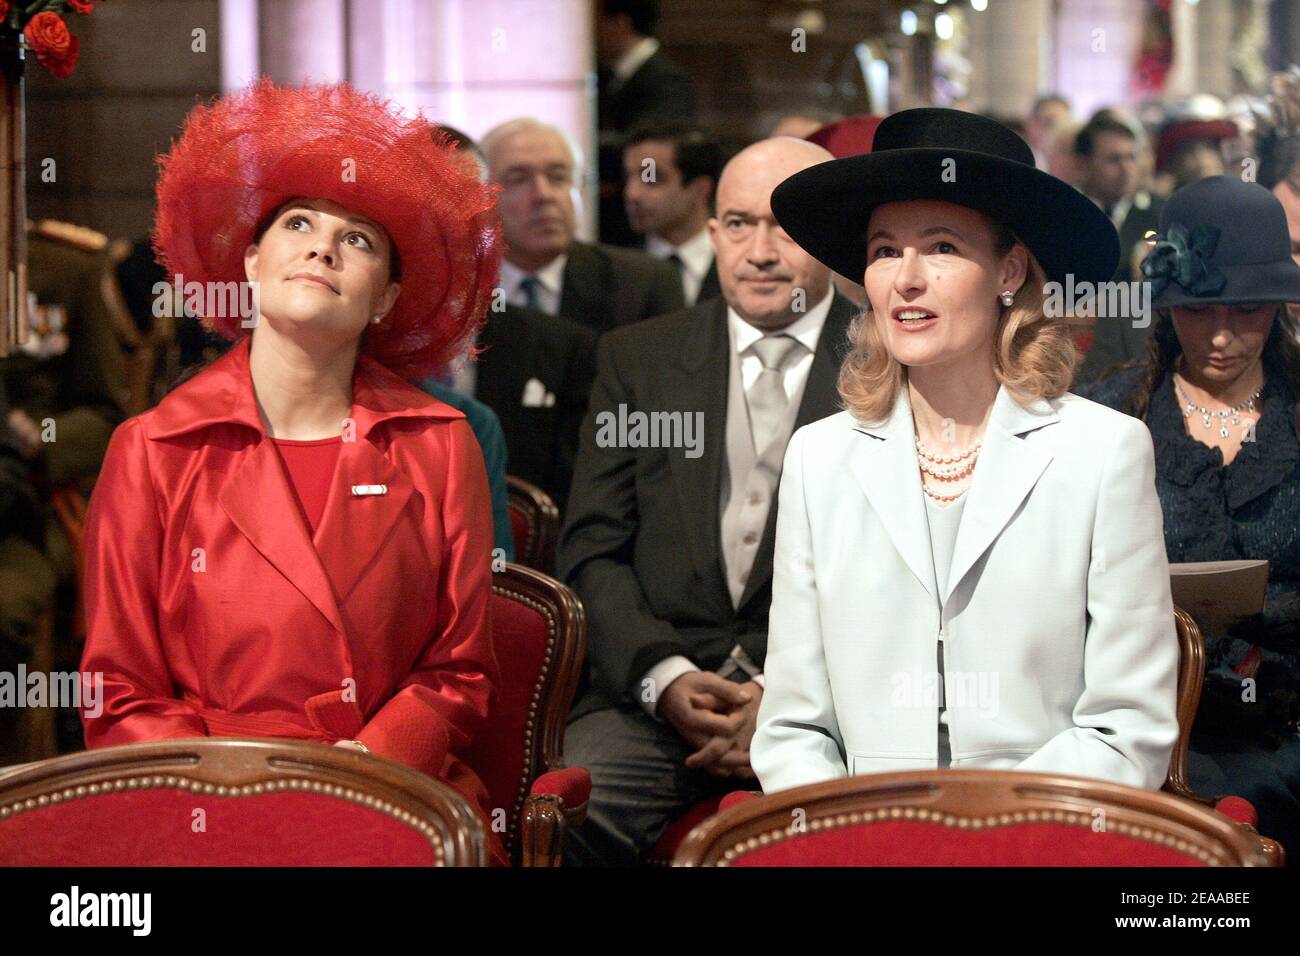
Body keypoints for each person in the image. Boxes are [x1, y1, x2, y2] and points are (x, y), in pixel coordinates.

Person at [77, 80, 507, 863]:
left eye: (360, 240)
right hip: (202, 805)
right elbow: (119, 689)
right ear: (249, 262)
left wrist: (372, 768)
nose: (322, 248)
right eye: (299, 224)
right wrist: (230, 791)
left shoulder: (442, 442)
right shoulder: (151, 447)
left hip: (393, 797)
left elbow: (461, 667)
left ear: (386, 298)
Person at [752, 108, 1178, 793]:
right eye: (885, 250)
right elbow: (793, 730)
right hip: (864, 835)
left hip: (1041, 833)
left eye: (942, 247)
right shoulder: (819, 459)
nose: (906, 278)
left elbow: (1128, 732)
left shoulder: (1103, 453)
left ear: (1009, 271)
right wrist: (861, 838)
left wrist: (978, 835)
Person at [559, 136, 855, 865]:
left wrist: (778, 692)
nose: (759, 251)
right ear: (713, 231)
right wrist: (665, 679)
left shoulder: (885, 361)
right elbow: (593, 549)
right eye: (737, 223)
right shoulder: (638, 359)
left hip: (834, 703)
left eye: (785, 225)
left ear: (832, 234)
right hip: (655, 696)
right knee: (568, 807)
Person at [1078, 175, 1300, 860]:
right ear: (1166, 305)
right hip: (1148, 742)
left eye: (1249, 311)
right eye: (1199, 311)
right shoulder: (1106, 419)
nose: (1224, 337)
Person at [481, 117, 684, 334]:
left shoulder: (642, 284)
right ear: (481, 198)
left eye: (558, 177)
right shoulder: (461, 292)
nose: (544, 195)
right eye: (519, 179)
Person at [1073, 111, 1164, 382]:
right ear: (1084, 163)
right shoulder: (1062, 215)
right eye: (1114, 159)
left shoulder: (1161, 215)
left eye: (1131, 157)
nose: (1127, 168)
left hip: (1138, 348)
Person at [622, 122, 723, 306]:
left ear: (700, 189)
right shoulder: (616, 270)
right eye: (629, 177)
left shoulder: (737, 267)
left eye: (652, 179)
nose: (632, 193)